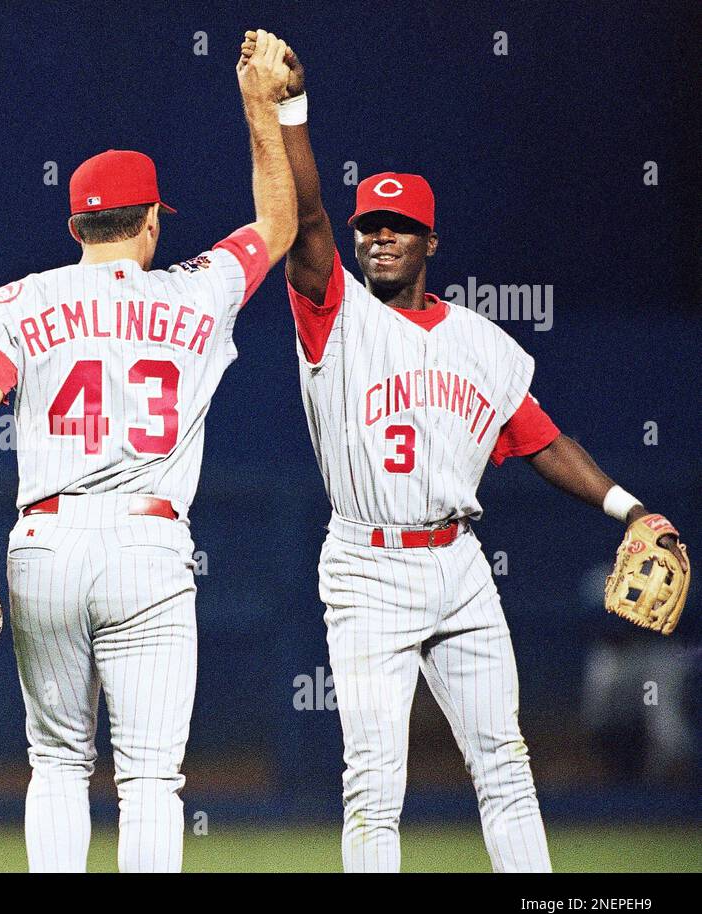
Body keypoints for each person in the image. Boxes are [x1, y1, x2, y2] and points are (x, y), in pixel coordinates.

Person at [269, 36, 687, 872]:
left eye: (400, 228)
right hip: (365, 564)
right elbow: (307, 216)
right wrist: (290, 111)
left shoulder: (481, 345)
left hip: (459, 565)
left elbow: (540, 438)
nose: (379, 238)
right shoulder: (332, 314)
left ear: (431, 242)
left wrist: (632, 508)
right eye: (371, 227)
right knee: (372, 784)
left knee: (505, 764)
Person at [0, 32, 298, 872]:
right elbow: (280, 223)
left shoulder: (22, 301)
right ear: (155, 221)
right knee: (152, 777)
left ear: (74, 222)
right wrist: (259, 107)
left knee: (55, 764)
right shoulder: (196, 290)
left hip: (44, 542)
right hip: (151, 543)